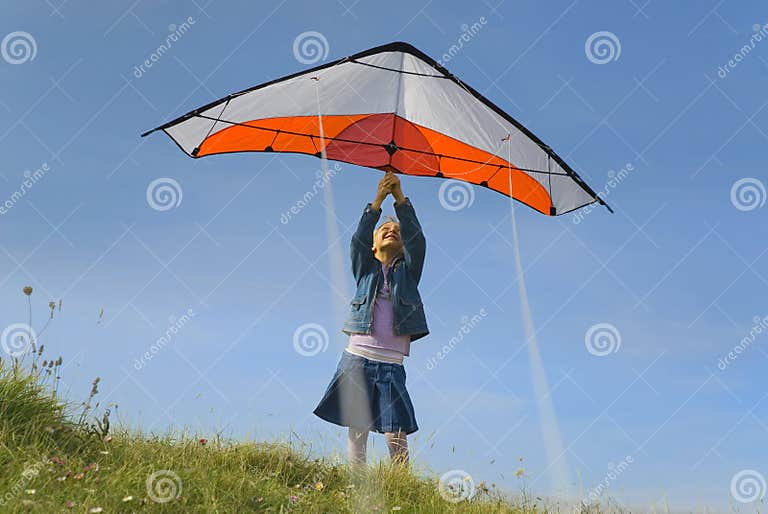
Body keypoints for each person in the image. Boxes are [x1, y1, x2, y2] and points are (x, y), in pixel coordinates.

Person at [313, 170, 429, 468]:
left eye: (397, 232)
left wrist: (400, 198)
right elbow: (359, 237)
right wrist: (379, 199)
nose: (392, 231)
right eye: (384, 230)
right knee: (358, 426)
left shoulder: (408, 273)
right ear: (374, 246)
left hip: (391, 363)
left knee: (396, 429)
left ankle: (401, 483)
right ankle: (357, 480)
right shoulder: (365, 269)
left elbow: (417, 239)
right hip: (358, 357)